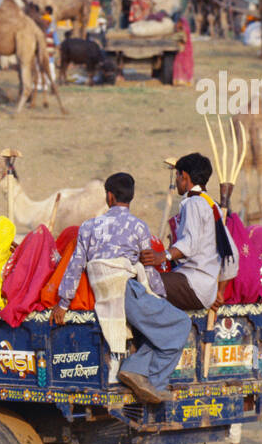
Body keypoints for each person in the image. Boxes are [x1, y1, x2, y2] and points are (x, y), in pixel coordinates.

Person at [52, 173, 186, 407]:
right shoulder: (138, 227)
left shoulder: (89, 226)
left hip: (103, 293)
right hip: (128, 290)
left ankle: (136, 369)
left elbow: (75, 265)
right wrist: (161, 299)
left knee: (154, 330)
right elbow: (150, 271)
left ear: (109, 196)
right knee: (180, 324)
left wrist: (63, 303)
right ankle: (152, 381)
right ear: (130, 197)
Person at [141, 152, 239, 311]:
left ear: (184, 176)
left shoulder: (193, 203)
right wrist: (219, 292)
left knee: (139, 282)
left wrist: (163, 256)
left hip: (192, 283)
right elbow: (232, 255)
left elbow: (189, 244)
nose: (177, 180)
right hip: (205, 289)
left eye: (178, 176)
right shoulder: (212, 204)